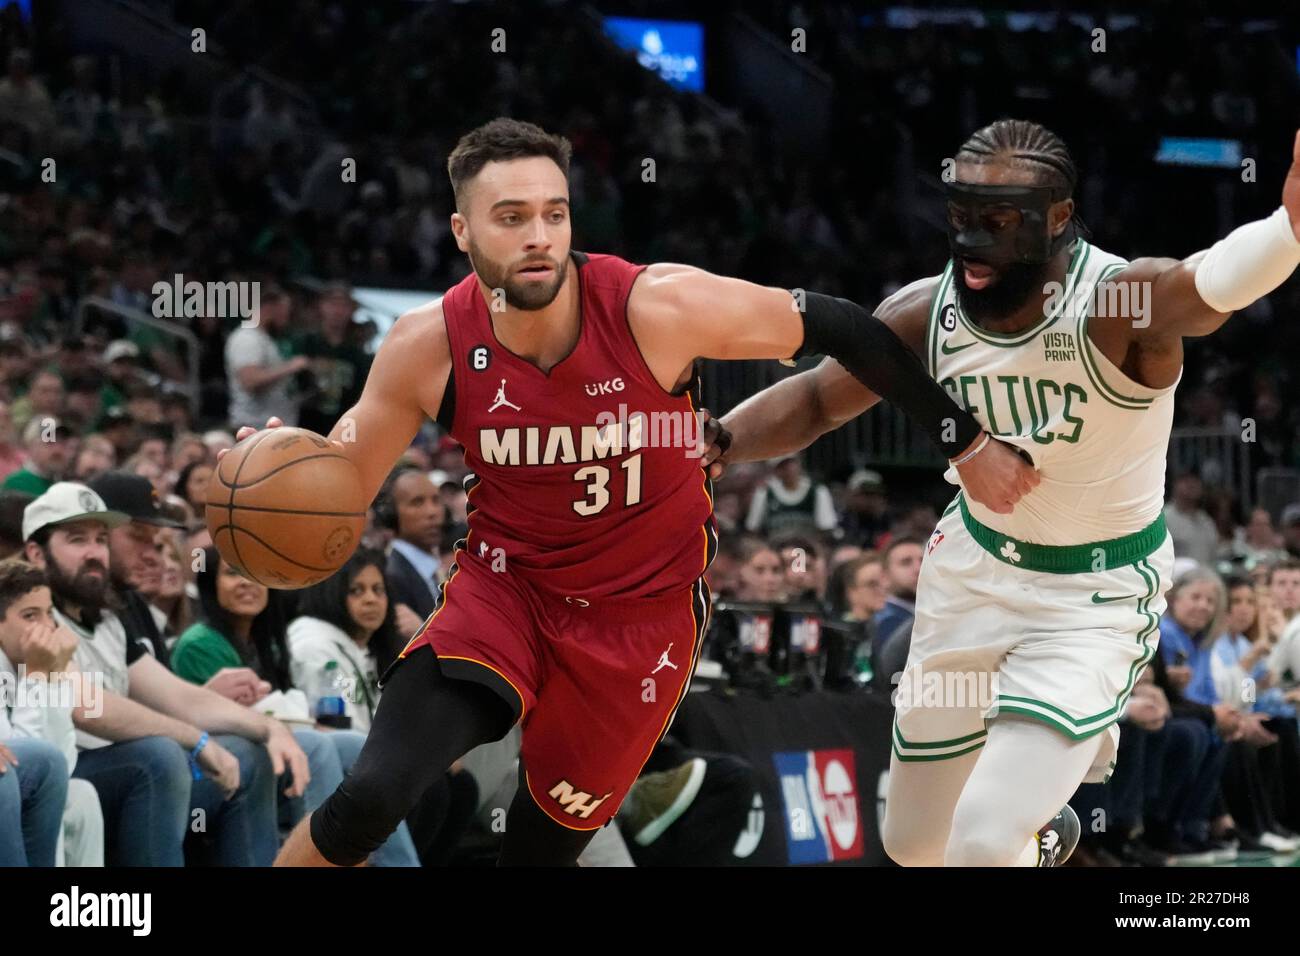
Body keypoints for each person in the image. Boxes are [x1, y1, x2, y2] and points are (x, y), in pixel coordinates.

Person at [262, 117, 1031, 868]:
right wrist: (271, 474)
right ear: (461, 233)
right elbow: (339, 484)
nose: (539, 236)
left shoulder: (655, 307)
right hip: (507, 594)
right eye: (510, 217)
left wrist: (964, 438)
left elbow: (848, 329)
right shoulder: (425, 347)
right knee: (372, 793)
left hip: (640, 622)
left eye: (553, 213)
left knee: (539, 849)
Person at [706, 118, 1300, 866]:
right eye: (961, 218)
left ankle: (1064, 752)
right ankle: (1045, 835)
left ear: (1055, 218)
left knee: (980, 842)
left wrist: (1288, 231)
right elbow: (820, 401)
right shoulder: (928, 311)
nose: (973, 240)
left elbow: (1204, 288)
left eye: (998, 221)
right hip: (974, 576)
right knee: (916, 843)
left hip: (1092, 594)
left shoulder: (1113, 305)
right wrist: (719, 443)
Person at [22, 481, 308, 866]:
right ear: (36, 554)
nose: (94, 553)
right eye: (77, 540)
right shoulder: (30, 615)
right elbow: (90, 708)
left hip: (123, 773)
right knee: (158, 756)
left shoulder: (108, 619)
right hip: (64, 777)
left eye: (100, 539)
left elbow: (177, 695)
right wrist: (198, 740)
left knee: (247, 754)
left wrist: (267, 727)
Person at [173, 548, 420, 867]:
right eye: (232, 574)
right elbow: (219, 722)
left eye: (254, 575)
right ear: (210, 585)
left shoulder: (266, 640)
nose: (247, 583)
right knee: (318, 746)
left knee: (356, 745)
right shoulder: (200, 642)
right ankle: (322, 860)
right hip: (216, 761)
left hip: (275, 746)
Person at [0, 559, 103, 865]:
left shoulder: (34, 663)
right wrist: (35, 676)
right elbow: (19, 765)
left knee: (80, 795)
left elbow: (61, 763)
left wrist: (54, 674)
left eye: (49, 614)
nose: (46, 627)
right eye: (30, 616)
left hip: (28, 780)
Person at [225, 284, 308, 428]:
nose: (287, 317)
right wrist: (291, 366)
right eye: (284, 310)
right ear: (270, 307)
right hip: (254, 427)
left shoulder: (264, 338)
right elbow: (250, 381)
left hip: (269, 427)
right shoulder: (247, 337)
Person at [376, 465, 445, 625]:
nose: (432, 512)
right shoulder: (391, 577)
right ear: (391, 514)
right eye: (417, 502)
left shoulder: (438, 571)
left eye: (436, 500)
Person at [743, 455, 837, 538]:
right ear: (776, 470)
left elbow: (826, 527)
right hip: (776, 549)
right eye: (783, 466)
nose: (789, 469)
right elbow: (752, 528)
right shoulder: (764, 492)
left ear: (799, 464)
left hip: (808, 550)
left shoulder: (818, 491)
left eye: (791, 463)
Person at [871, 537, 923, 652]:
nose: (918, 569)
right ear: (884, 577)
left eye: (923, 561)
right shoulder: (886, 622)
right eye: (906, 562)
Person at [2, 417, 76, 496]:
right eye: (49, 442)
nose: (57, 450)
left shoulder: (65, 484)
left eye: (62, 443)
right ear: (32, 446)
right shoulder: (18, 483)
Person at [1164, 473, 1220, 567]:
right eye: (1186, 481)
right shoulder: (1164, 517)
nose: (1192, 485)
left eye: (1195, 481)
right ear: (1176, 486)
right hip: (1176, 576)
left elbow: (1214, 553)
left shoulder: (1206, 520)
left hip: (1207, 574)